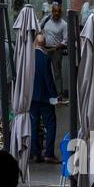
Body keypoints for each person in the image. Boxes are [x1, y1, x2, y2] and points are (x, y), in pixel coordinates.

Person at [29, 32, 60, 163]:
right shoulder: (46, 58)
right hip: (45, 99)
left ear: (35, 43)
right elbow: (49, 79)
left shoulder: (28, 57)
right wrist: (54, 96)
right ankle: (48, 153)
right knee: (51, 124)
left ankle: (35, 153)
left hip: (31, 97)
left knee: (33, 125)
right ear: (45, 45)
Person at [42, 2, 68, 102]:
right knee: (45, 72)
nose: (56, 13)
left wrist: (56, 47)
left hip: (56, 51)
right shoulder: (46, 19)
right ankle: (47, 93)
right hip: (45, 49)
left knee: (57, 73)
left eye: (58, 11)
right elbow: (39, 28)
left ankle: (59, 95)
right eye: (54, 11)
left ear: (60, 12)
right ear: (52, 11)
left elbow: (65, 40)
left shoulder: (64, 24)